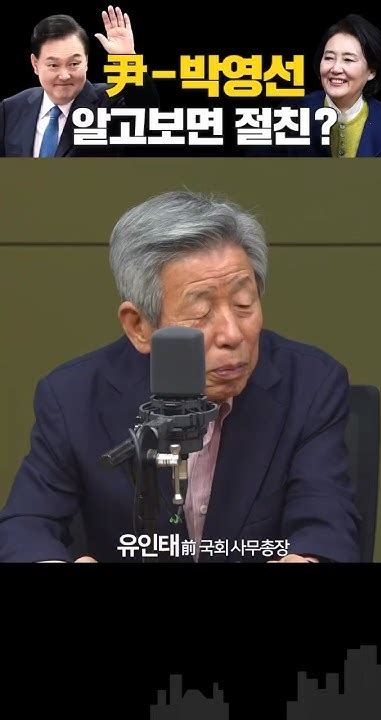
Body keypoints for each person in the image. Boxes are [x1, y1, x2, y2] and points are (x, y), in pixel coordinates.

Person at [0, 190, 360, 563]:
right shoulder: (73, 397)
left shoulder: (311, 385)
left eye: (244, 304)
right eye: (201, 313)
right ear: (139, 326)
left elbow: (327, 525)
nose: (232, 334)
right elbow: (26, 525)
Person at [0, 6, 158, 157]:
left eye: (74, 64)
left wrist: (127, 59)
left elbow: (146, 113)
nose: (64, 75)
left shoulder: (109, 102)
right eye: (53, 65)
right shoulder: (11, 108)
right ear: (35, 64)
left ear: (86, 61)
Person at [251, 14, 381, 157]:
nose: (335, 69)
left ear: (372, 71)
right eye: (329, 58)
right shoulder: (290, 114)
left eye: (348, 60)